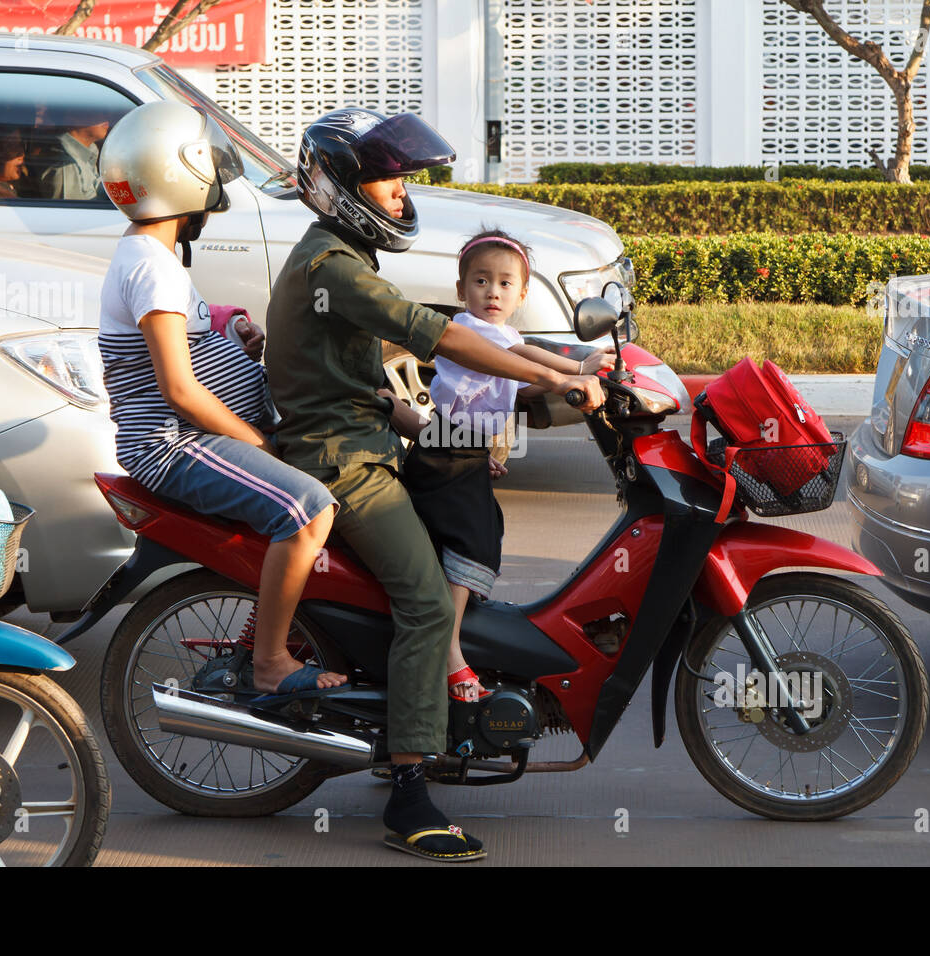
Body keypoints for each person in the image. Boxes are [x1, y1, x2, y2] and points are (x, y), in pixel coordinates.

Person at [264, 108, 603, 862]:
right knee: (424, 601)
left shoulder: (339, 254)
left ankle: (420, 714)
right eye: (386, 179)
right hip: (342, 459)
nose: (399, 193)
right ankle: (411, 790)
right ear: (344, 187)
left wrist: (564, 365)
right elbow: (446, 335)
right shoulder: (334, 266)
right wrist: (565, 373)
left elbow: (432, 347)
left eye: (403, 179)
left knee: (460, 522)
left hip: (368, 436)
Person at [97, 101, 344, 696]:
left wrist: (234, 339)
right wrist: (258, 439)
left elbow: (188, 343)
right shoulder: (151, 269)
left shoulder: (149, 258)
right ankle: (269, 663)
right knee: (308, 508)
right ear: (180, 180)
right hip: (176, 444)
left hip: (196, 436)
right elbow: (178, 389)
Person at [387, 228, 615, 702]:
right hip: (447, 454)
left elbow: (513, 387)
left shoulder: (503, 334)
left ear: (522, 294)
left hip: (459, 449)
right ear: (461, 291)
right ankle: (448, 649)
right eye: (481, 281)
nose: (493, 291)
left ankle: (459, 622)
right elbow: (519, 358)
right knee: (472, 539)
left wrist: (556, 391)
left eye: (505, 283)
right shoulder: (476, 332)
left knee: (479, 531)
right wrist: (576, 368)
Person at [40, 106, 113, 200]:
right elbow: (72, 213)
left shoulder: (87, 153)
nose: (106, 116)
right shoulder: (66, 165)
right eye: (97, 110)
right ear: (72, 116)